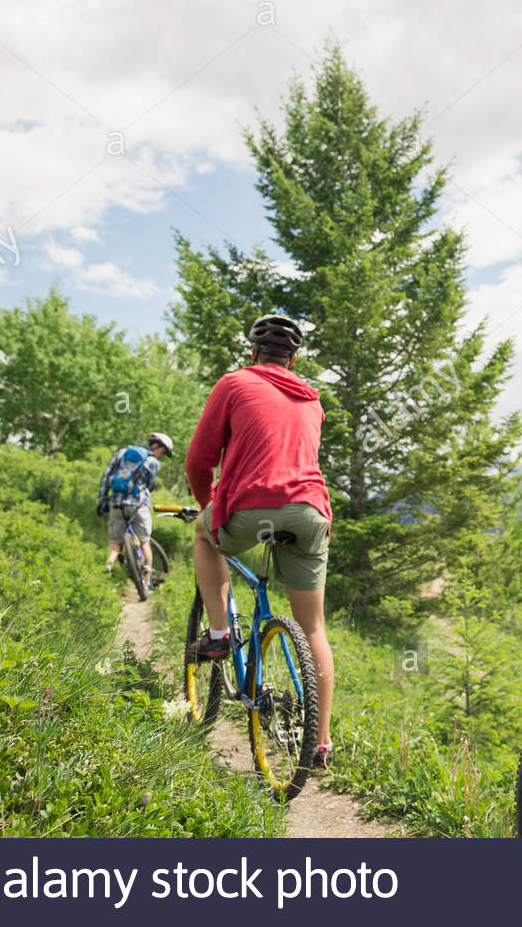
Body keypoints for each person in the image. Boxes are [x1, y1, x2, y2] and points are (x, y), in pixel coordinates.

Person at [184, 314, 336, 768]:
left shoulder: (234, 384)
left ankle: (219, 633)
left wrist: (209, 505)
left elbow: (199, 459)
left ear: (254, 354)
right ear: (294, 358)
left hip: (251, 506)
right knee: (314, 629)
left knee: (204, 537)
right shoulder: (313, 400)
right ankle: (322, 742)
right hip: (310, 511)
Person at [97, 432, 174, 587]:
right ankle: (146, 581)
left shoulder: (122, 453)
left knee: (115, 542)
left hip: (116, 503)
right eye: (163, 452)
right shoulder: (152, 462)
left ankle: (109, 565)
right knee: (145, 541)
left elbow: (106, 476)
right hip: (139, 505)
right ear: (156, 446)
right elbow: (150, 485)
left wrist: (103, 499)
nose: (161, 456)